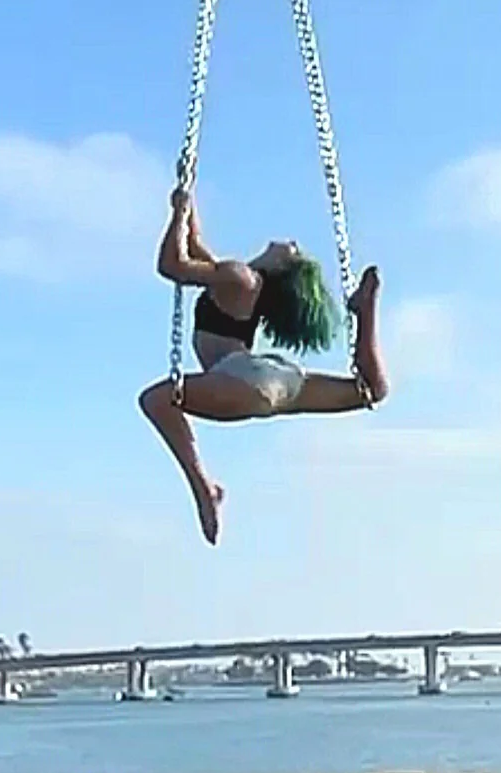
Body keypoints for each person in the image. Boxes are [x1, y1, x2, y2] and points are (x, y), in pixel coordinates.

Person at [139, 188, 389, 544]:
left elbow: (172, 265)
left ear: (282, 270)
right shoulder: (238, 281)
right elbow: (194, 247)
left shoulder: (241, 278)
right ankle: (365, 311)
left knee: (157, 400)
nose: (292, 243)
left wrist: (179, 212)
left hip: (244, 378)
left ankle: (204, 487)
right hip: (277, 379)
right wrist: (188, 201)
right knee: (370, 391)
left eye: (294, 252)